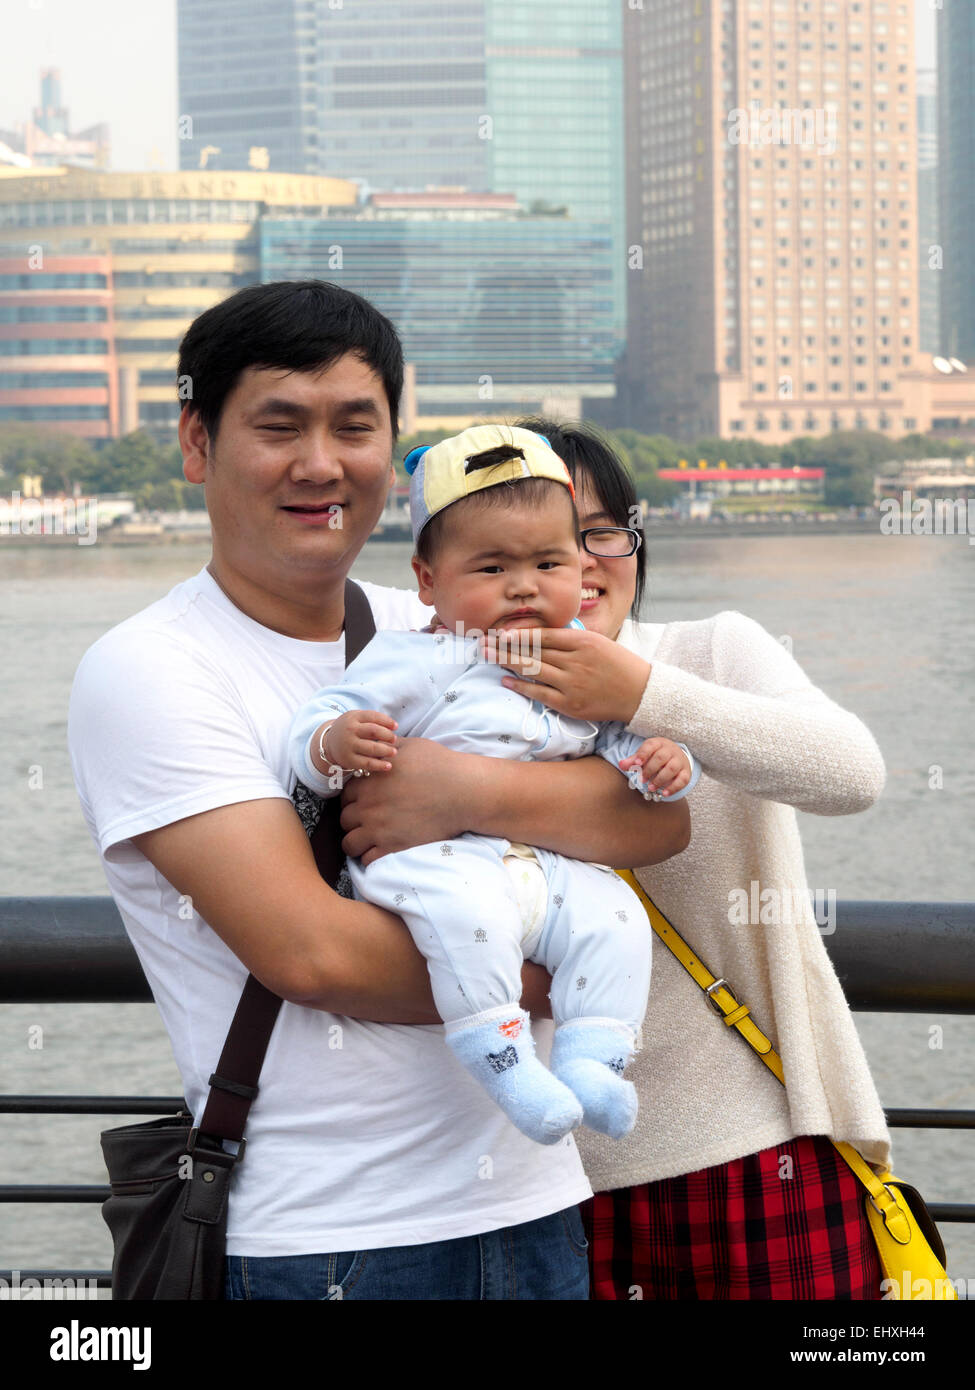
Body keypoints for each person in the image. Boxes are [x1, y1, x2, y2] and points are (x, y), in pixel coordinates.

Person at [65, 281, 690, 1302]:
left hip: (535, 1204)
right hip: (333, 1242)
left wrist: (453, 786)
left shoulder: (454, 609)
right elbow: (314, 951)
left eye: (355, 425)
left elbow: (653, 816)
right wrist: (562, 976)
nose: (321, 463)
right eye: (279, 425)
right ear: (196, 442)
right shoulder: (152, 670)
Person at [470, 416, 888, 1300]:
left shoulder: (708, 653)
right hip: (550, 1181)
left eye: (601, 533)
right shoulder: (450, 707)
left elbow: (851, 773)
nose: (580, 564)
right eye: (543, 542)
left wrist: (644, 693)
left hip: (757, 1149)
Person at [286, 425, 700, 1147]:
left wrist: (664, 763)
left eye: (547, 562)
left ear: (578, 566)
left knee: (617, 918)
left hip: (548, 871)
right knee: (465, 918)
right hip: (439, 863)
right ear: (428, 581)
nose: (523, 585)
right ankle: (501, 1054)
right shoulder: (417, 658)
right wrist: (333, 742)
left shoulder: (579, 664)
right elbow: (318, 722)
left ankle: (595, 1057)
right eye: (490, 569)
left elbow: (620, 745)